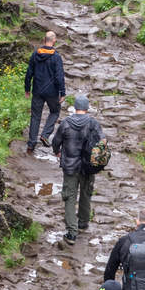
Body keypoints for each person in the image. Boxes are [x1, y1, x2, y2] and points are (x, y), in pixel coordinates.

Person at [51, 92, 103, 244]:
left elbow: (56, 142)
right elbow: (102, 143)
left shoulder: (66, 123)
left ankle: (72, 232)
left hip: (70, 166)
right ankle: (83, 222)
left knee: (69, 196)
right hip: (88, 166)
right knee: (86, 194)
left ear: (74, 108)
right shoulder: (93, 124)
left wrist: (58, 152)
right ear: (87, 108)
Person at [25, 29, 65, 154]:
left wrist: (27, 88)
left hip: (37, 90)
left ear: (44, 40)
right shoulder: (56, 57)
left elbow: (29, 73)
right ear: (54, 41)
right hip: (52, 92)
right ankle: (45, 134)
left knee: (35, 116)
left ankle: (31, 144)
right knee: (55, 111)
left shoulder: (35, 54)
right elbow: (59, 76)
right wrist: (62, 92)